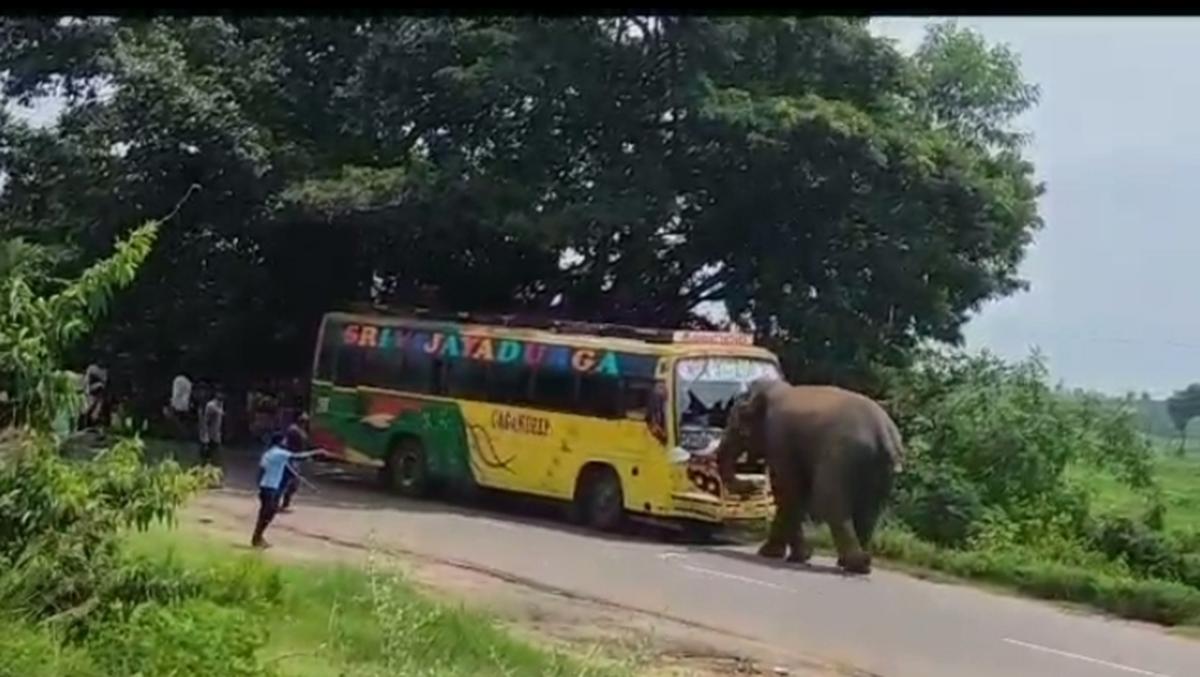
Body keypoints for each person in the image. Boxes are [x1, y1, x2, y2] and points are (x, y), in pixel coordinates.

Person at [252, 428, 323, 548]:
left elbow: (265, 470)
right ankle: (257, 538)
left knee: (265, 514)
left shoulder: (269, 453)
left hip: (265, 487)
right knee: (268, 514)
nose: (285, 441)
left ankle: (257, 537)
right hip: (271, 488)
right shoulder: (280, 453)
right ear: (280, 441)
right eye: (284, 440)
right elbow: (299, 456)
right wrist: (317, 452)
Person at [277, 412, 312, 513]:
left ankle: (284, 504)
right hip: (291, 459)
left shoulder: (299, 430)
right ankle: (281, 504)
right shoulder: (293, 430)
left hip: (295, 459)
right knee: (290, 482)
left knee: (291, 483)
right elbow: (285, 443)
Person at [198, 390, 225, 467]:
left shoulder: (221, 404)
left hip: (216, 434)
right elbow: (207, 421)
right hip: (210, 435)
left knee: (215, 455)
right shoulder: (211, 406)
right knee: (208, 454)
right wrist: (206, 436)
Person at [166, 371, 192, 439]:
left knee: (178, 421)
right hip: (184, 405)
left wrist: (173, 403)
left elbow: (176, 394)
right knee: (181, 421)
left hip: (179, 405)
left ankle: (183, 435)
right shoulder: (187, 382)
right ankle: (184, 435)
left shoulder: (179, 380)